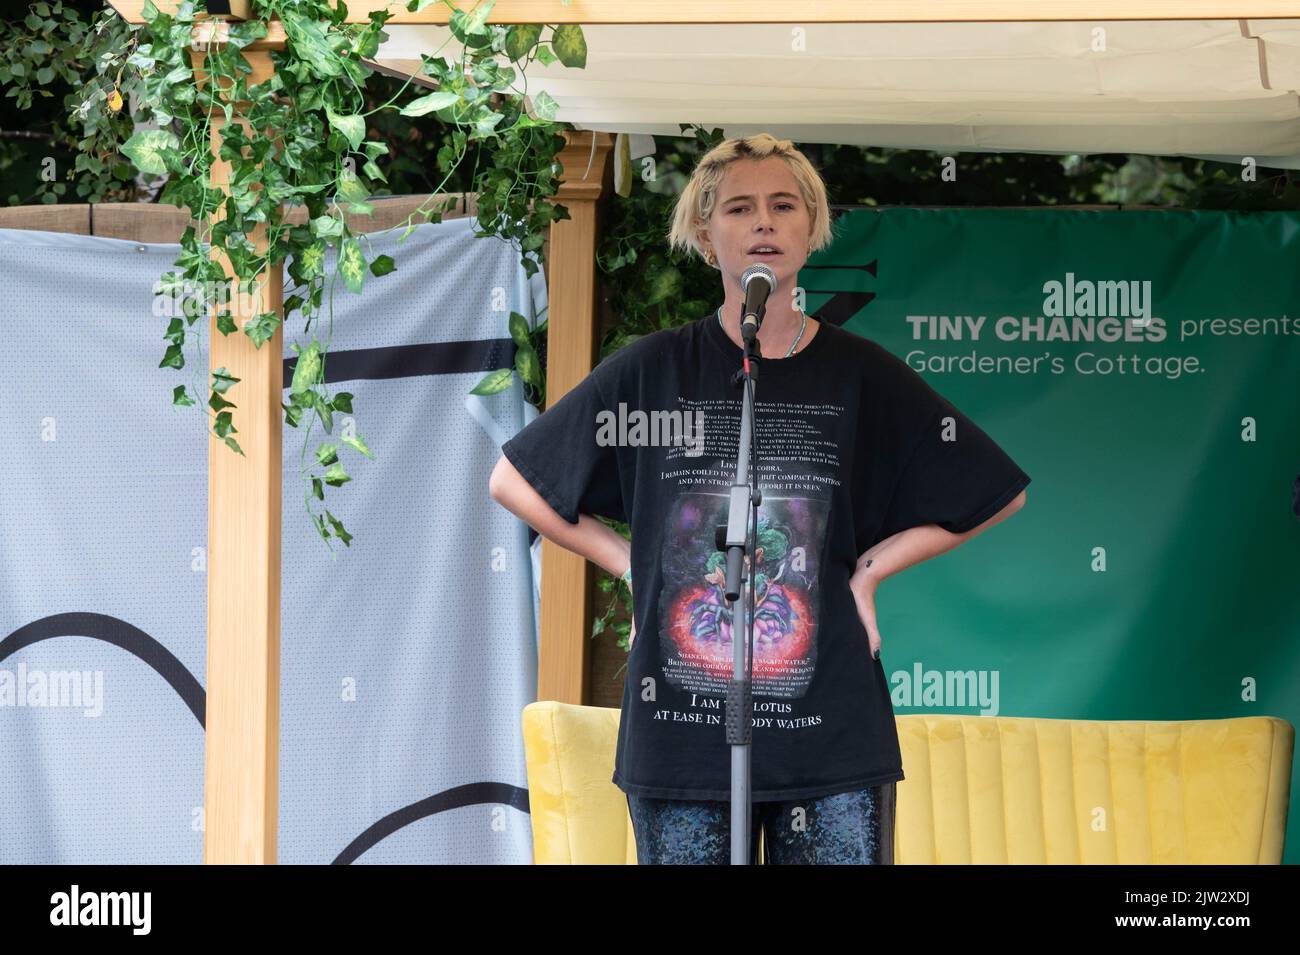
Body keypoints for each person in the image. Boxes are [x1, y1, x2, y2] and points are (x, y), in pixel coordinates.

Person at [489, 133, 1031, 864]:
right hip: (683, 732)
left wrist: (869, 571)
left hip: (831, 733)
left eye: (784, 205)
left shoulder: (861, 376)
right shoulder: (651, 372)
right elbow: (514, 480)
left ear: (811, 232)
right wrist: (628, 561)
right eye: (740, 208)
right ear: (708, 240)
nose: (765, 222)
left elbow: (995, 492)